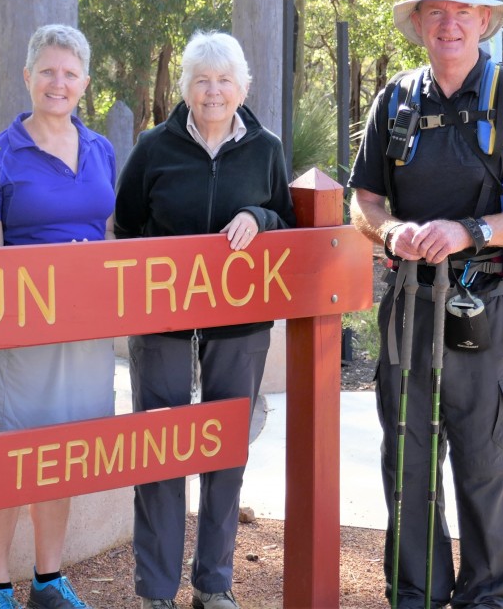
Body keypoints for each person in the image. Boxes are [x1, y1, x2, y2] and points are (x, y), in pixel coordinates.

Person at [347, 0, 503, 609]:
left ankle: (486, 600)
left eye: (462, 13)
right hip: (411, 310)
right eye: (436, 12)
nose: (449, 24)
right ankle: (414, 597)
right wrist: (391, 234)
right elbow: (364, 201)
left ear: (483, 21)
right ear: (419, 23)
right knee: (409, 469)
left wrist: (471, 231)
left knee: (486, 471)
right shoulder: (393, 101)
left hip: (490, 313)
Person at [114, 31, 296, 609]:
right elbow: (125, 226)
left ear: (243, 87)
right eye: (201, 79)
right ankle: (156, 591)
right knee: (159, 452)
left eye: (224, 80)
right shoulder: (153, 147)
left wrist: (259, 215)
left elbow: (288, 223)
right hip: (162, 323)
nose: (213, 91)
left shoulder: (265, 148)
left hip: (239, 327)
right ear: (185, 87)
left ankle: (214, 585)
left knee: (225, 452)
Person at [0, 25, 117, 609]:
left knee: (65, 450)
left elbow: (107, 235)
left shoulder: (102, 148)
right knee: (11, 452)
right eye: (48, 71)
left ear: (85, 82)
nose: (59, 83)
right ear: (27, 76)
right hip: (22, 326)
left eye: (70, 73)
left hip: (86, 327)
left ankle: (48, 579)